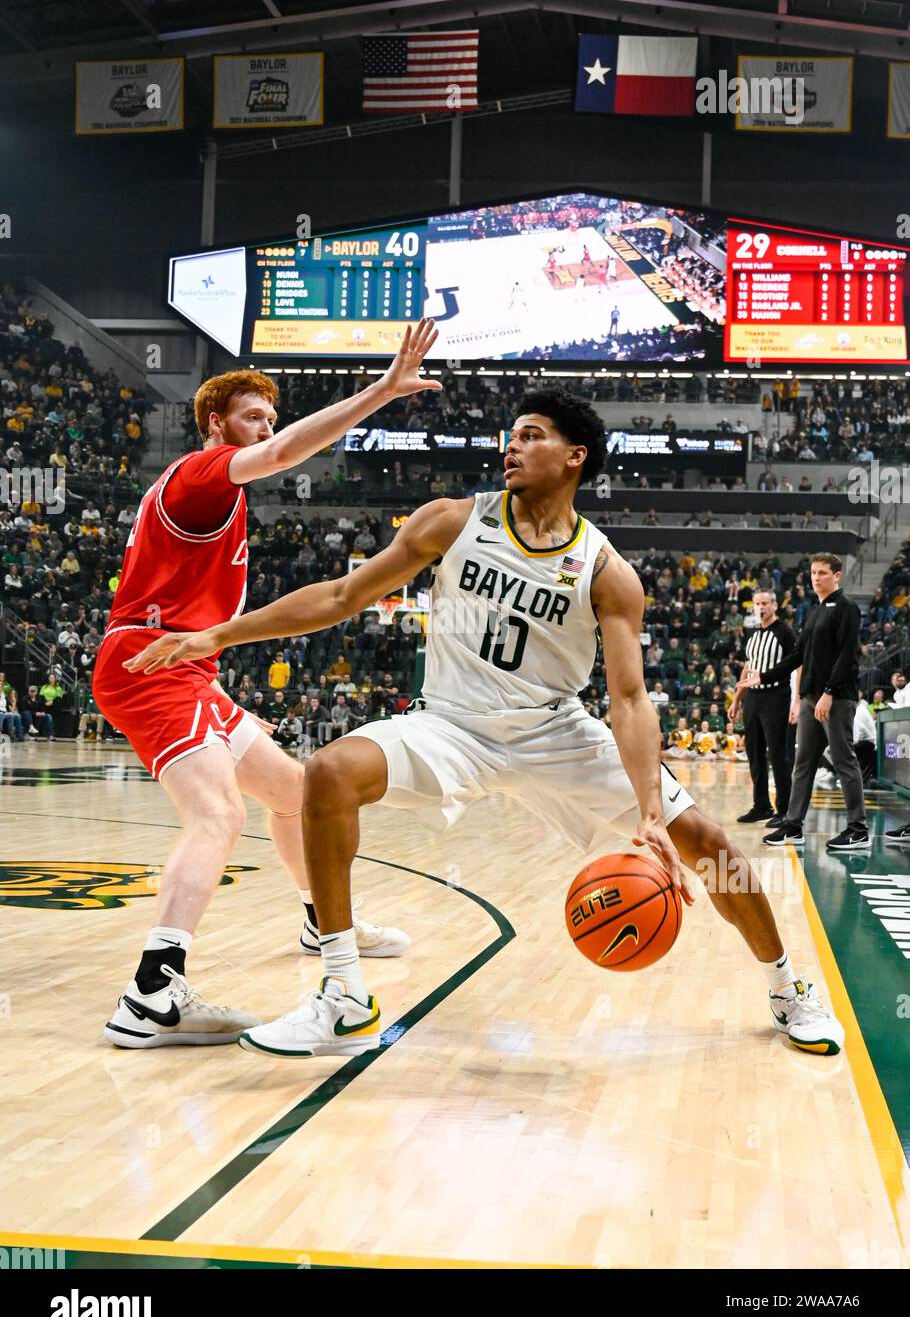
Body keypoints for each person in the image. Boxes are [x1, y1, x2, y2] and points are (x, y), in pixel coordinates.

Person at [128, 385, 844, 1061]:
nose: (511, 446)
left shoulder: (605, 570)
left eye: (531, 436)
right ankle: (342, 993)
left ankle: (788, 987)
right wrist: (218, 635)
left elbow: (628, 699)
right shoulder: (452, 518)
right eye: (510, 435)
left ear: (574, 458)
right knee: (329, 772)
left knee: (710, 843)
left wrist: (652, 808)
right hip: (451, 726)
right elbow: (345, 594)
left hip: (554, 731)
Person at [93, 320, 441, 1048]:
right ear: (216, 423)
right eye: (252, 416)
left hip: (185, 667)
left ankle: (321, 921)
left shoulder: (214, 499)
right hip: (153, 663)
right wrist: (380, 390)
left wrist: (222, 699)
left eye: (270, 415)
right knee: (219, 815)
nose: (267, 427)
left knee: (297, 792)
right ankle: (152, 994)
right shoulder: (199, 474)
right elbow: (284, 454)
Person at [744, 553, 868, 853]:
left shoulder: (846, 608)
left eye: (823, 573)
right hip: (811, 698)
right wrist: (764, 675)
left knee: (844, 761)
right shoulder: (814, 610)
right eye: (814, 572)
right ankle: (793, 824)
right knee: (802, 764)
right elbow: (797, 655)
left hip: (835, 698)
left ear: (837, 576)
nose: (816, 578)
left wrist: (829, 692)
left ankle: (857, 829)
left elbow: (848, 656)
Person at [728, 590, 797, 825]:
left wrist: (796, 700)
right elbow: (747, 668)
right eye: (757, 604)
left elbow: (798, 665)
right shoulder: (752, 634)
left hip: (776, 694)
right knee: (754, 753)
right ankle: (761, 806)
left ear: (775, 605)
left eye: (765, 603)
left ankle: (785, 809)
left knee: (777, 754)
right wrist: (737, 699)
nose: (761, 608)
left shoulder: (785, 632)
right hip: (753, 699)